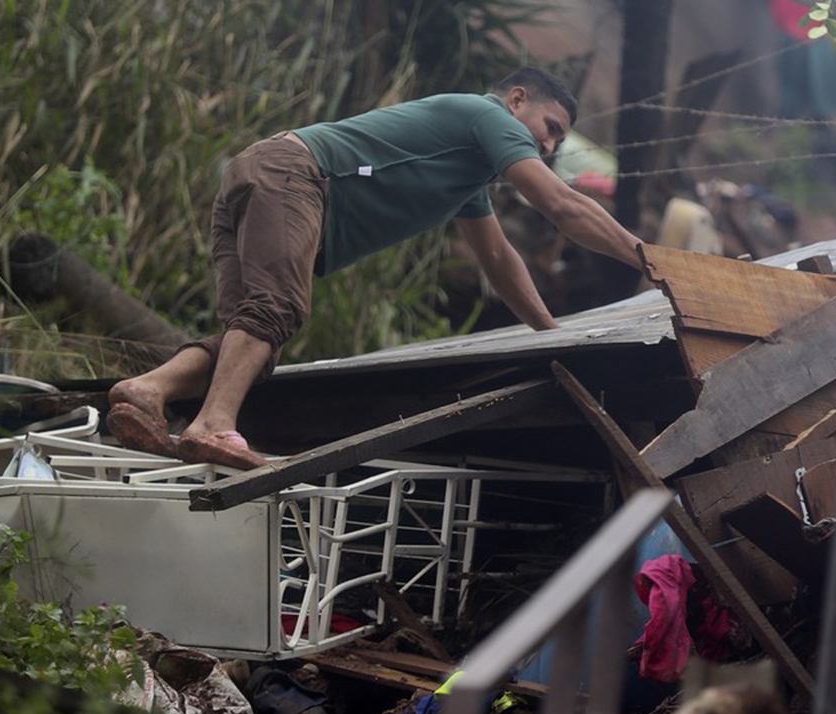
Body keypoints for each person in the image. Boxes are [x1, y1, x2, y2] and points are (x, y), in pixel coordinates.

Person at [106, 66, 645, 469]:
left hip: (263, 172)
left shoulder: (466, 176)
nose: (548, 146)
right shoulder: (487, 115)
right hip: (297, 174)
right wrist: (647, 257)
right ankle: (213, 424)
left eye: (557, 141)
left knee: (250, 341)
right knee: (276, 309)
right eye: (550, 128)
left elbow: (501, 259)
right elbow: (561, 204)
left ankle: (147, 391)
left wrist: (549, 334)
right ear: (517, 99)